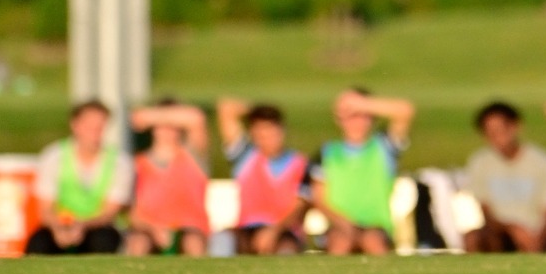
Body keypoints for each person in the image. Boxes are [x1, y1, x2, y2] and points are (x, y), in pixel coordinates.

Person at [309, 89, 414, 255]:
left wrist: (361, 104)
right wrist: (344, 224)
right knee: (341, 243)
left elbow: (405, 111)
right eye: (351, 116)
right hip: (338, 225)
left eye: (363, 116)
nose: (356, 122)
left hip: (375, 224)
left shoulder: (384, 146)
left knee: (373, 242)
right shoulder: (327, 152)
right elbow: (318, 198)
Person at [25, 100, 130, 255]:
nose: (95, 133)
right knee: (39, 243)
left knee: (103, 240)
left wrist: (83, 225)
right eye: (90, 127)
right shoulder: (53, 156)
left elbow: (109, 212)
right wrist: (58, 228)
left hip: (97, 227)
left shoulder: (119, 162)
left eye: (100, 127)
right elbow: (45, 210)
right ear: (75, 125)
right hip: (60, 225)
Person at [461, 101, 546, 253]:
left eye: (500, 130)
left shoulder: (542, 161)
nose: (496, 137)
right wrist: (511, 228)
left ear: (515, 127)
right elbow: (486, 213)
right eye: (490, 132)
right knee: (472, 238)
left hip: (537, 232)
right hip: (499, 233)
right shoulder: (479, 162)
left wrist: (537, 242)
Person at [219, 98, 310, 255]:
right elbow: (226, 108)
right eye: (260, 132)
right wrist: (255, 110)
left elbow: (300, 205)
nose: (266, 138)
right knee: (221, 240)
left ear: (281, 131)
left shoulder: (300, 163)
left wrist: (274, 230)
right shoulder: (245, 157)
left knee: (286, 251)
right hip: (246, 229)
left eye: (270, 131)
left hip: (284, 231)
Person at [125, 102, 213, 257]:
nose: (167, 130)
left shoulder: (193, 156)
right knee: (138, 243)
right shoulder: (138, 163)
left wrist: (150, 117)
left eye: (172, 125)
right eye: (162, 125)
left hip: (190, 228)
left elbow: (196, 119)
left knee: (193, 243)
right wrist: (154, 228)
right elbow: (133, 214)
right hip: (149, 228)